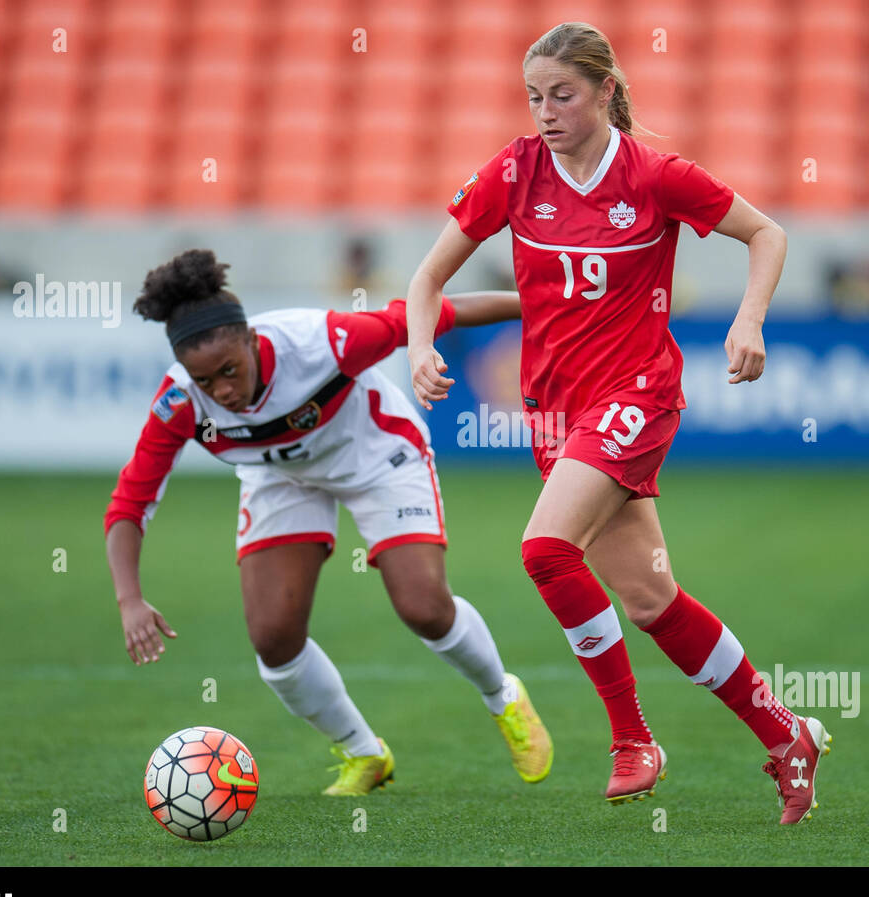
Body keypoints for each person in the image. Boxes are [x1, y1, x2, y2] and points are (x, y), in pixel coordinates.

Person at [405, 22, 831, 824]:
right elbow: (428, 276)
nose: (545, 112)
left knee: (543, 550)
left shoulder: (656, 174)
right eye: (533, 96)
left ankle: (633, 739)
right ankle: (786, 734)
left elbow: (766, 232)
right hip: (555, 411)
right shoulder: (512, 170)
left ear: (605, 90)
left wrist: (750, 321)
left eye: (561, 94)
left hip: (636, 396)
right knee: (649, 598)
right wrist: (420, 347)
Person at [104, 249, 552, 794]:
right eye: (206, 380)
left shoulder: (323, 342)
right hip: (280, 476)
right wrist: (130, 598)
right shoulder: (180, 401)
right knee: (273, 637)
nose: (222, 390)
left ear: (251, 340)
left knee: (423, 606)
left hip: (374, 454)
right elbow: (130, 503)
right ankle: (365, 753)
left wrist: (541, 304)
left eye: (230, 370)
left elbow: (434, 311)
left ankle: (501, 697)